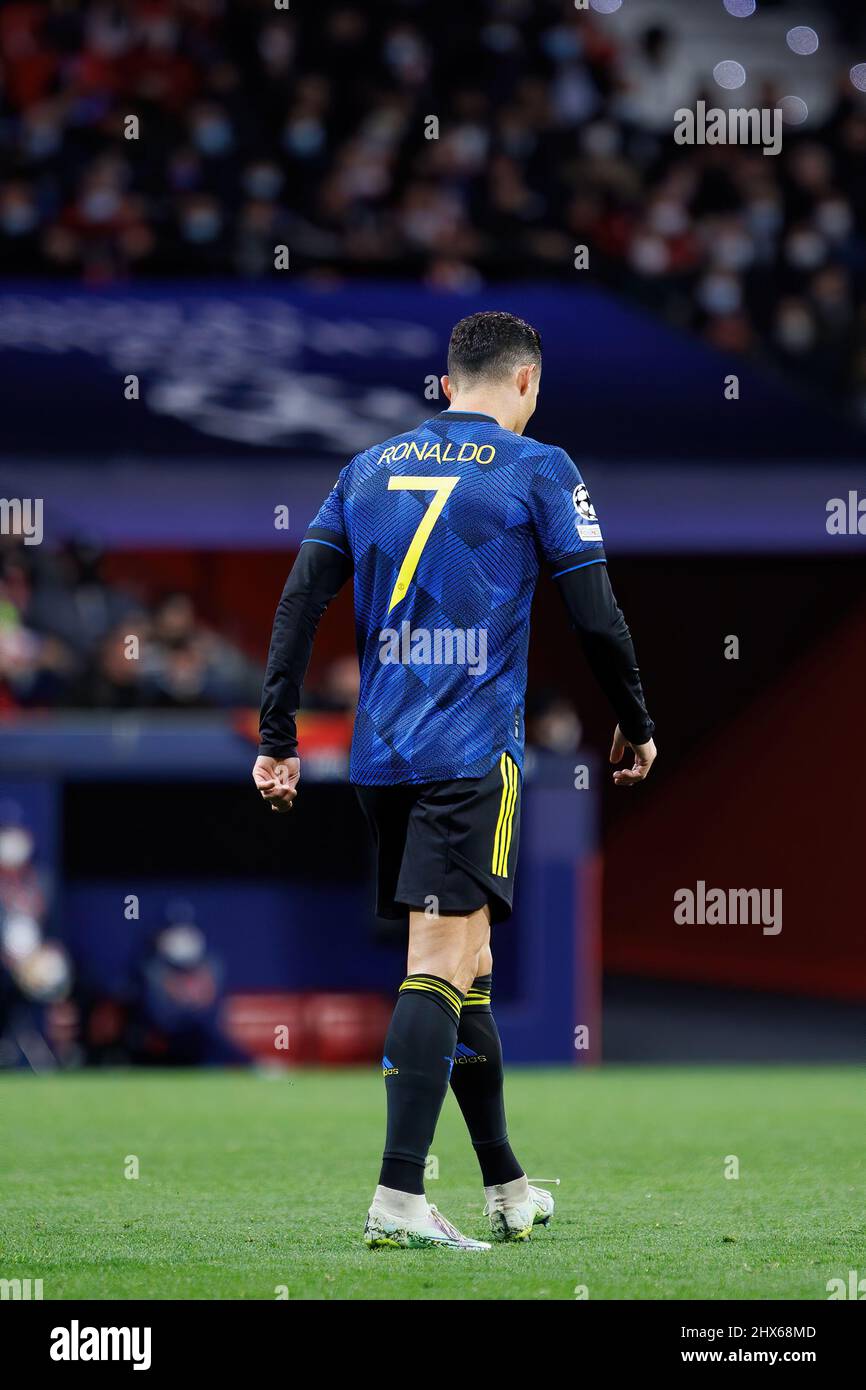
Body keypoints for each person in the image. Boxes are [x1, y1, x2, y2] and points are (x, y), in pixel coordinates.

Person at [253, 311, 656, 1250]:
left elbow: (300, 598)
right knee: (438, 965)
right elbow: (596, 618)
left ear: (446, 384)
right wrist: (635, 723)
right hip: (469, 757)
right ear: (526, 384)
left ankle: (509, 1186)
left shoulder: (368, 468)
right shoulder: (538, 468)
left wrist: (278, 733)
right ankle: (398, 1197)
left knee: (466, 970)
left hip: (379, 761)